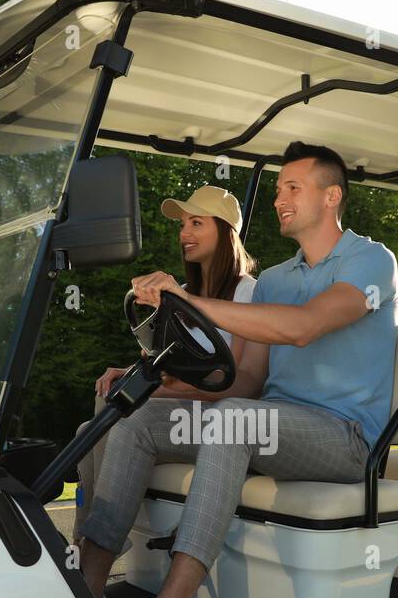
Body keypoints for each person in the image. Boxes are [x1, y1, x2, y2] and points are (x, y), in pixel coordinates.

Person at [78, 141, 398, 598]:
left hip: (344, 439)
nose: (279, 199)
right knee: (132, 418)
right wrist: (157, 388)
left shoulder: (370, 261)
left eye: (292, 187)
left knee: (234, 422)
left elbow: (303, 328)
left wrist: (184, 300)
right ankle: (87, 593)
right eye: (277, 189)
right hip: (272, 427)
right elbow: (248, 379)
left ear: (331, 196)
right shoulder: (274, 279)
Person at [73, 184, 263, 540]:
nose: (184, 233)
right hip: (182, 408)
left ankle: (91, 547)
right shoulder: (184, 295)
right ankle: (84, 542)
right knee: (91, 424)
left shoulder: (248, 293)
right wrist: (131, 373)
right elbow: (160, 362)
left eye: (196, 223)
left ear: (224, 231)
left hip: (218, 416)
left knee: (113, 410)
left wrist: (152, 389)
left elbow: (235, 380)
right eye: (182, 225)